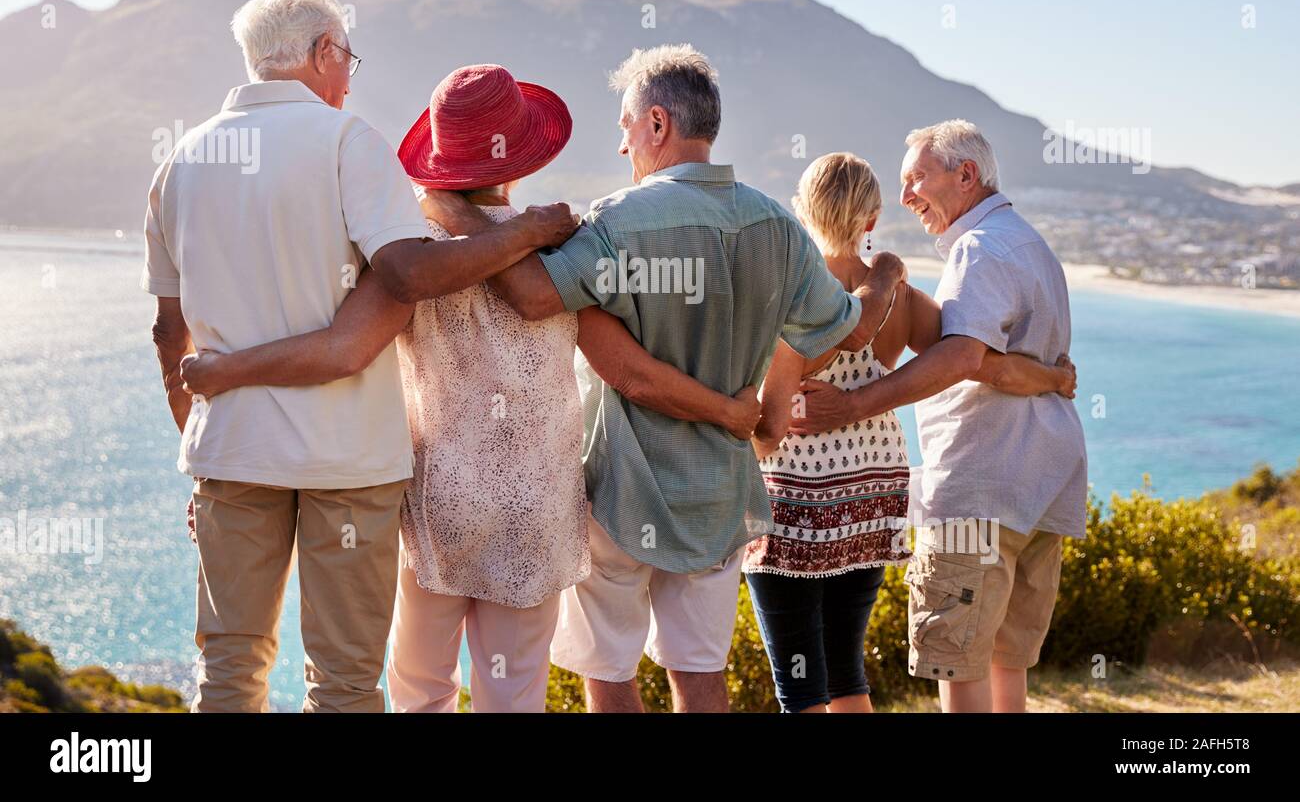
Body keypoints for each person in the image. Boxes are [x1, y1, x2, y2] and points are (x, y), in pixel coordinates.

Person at [180, 64, 762, 712]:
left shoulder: (412, 256)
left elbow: (344, 349)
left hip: (439, 507)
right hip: (535, 513)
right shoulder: (568, 248)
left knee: (422, 689)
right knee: (512, 696)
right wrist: (730, 411)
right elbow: (622, 367)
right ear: (518, 157)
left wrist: (225, 370)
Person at [419, 44, 905, 712]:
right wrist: (882, 280)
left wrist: (454, 211)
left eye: (625, 127)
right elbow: (846, 330)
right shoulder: (779, 226)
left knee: (609, 673)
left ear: (656, 124)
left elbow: (533, 297)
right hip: (720, 492)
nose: (623, 146)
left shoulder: (617, 222)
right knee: (700, 673)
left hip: (624, 490)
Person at [142, 0, 576, 712]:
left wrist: (200, 434)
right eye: (347, 60)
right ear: (321, 52)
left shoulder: (181, 161)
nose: (349, 81)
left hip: (232, 451)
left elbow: (167, 332)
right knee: (343, 682)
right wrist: (524, 231)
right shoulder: (348, 144)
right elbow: (407, 273)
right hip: (347, 462)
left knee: (227, 671)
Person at [747, 152, 1076, 713]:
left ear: (800, 213)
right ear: (871, 220)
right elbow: (973, 359)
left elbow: (766, 434)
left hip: (796, 505)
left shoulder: (790, 300)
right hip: (872, 502)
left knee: (798, 684)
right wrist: (1052, 376)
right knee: (848, 672)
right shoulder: (897, 297)